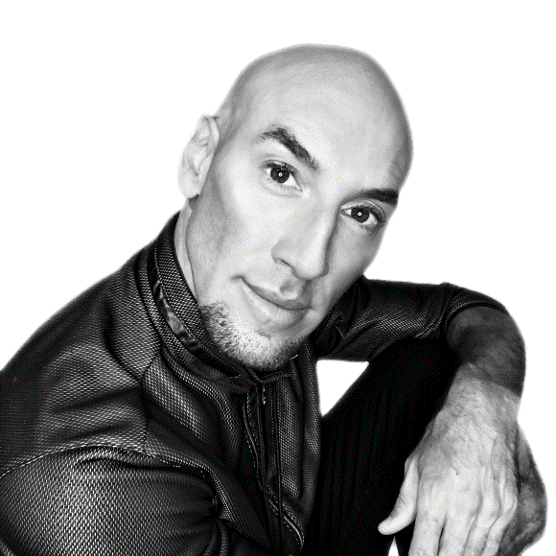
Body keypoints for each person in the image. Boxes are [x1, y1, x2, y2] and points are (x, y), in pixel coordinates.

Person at [0, 44, 546, 556]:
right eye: (281, 174)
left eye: (360, 213)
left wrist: (483, 418)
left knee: (439, 362)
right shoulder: (83, 482)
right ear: (200, 159)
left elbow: (457, 313)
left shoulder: (258, 289)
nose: (309, 260)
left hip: (282, 533)